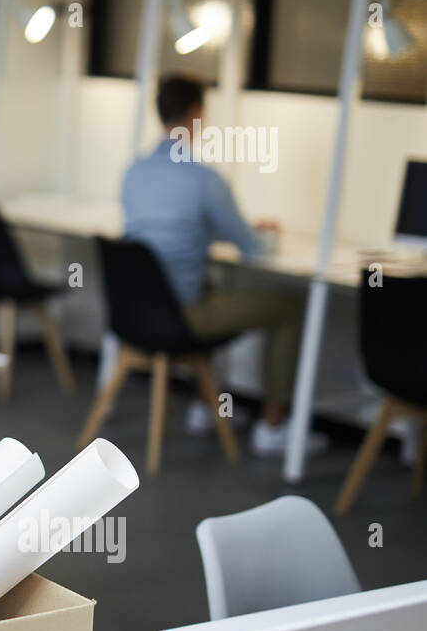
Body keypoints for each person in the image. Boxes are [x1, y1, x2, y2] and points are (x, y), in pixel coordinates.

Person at [121, 72, 326, 457]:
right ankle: (273, 426)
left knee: (211, 289)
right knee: (288, 307)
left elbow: (171, 229)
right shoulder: (204, 179)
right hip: (183, 315)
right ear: (197, 112)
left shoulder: (134, 172)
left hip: (139, 313)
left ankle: (206, 407)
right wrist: (263, 234)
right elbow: (252, 249)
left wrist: (213, 230)